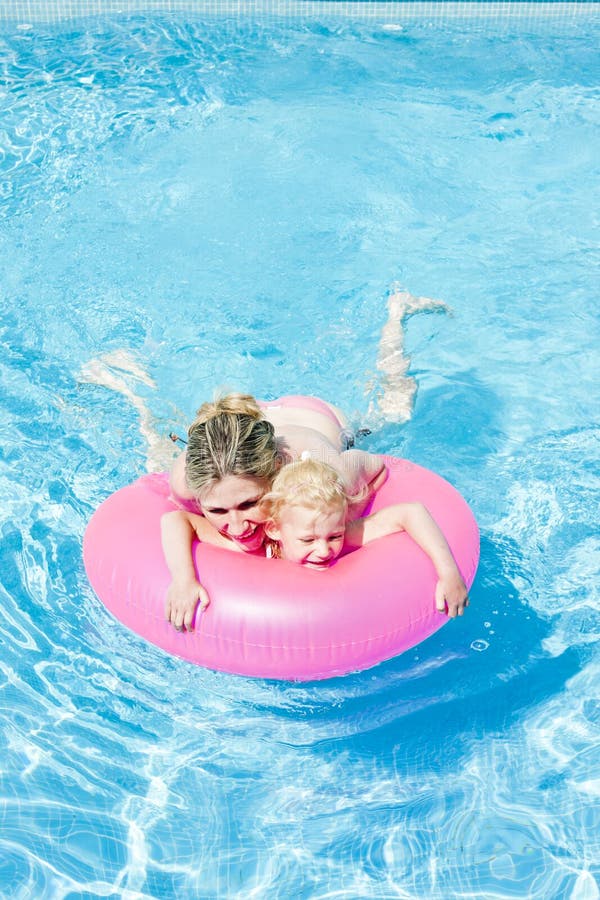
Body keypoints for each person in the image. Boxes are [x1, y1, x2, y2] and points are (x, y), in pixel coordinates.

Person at [161, 392, 388, 631]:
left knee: (393, 412)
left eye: (249, 504)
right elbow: (176, 521)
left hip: (315, 416)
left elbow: (378, 468)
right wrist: (183, 579)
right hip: (236, 428)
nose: (238, 528)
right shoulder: (186, 484)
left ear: (274, 476)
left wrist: (342, 515)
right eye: (217, 510)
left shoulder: (322, 476)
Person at [261, 458, 468, 613]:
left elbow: (412, 511)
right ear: (274, 529)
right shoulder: (262, 552)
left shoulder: (347, 533)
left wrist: (449, 573)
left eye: (335, 537)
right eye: (308, 540)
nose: (324, 551)